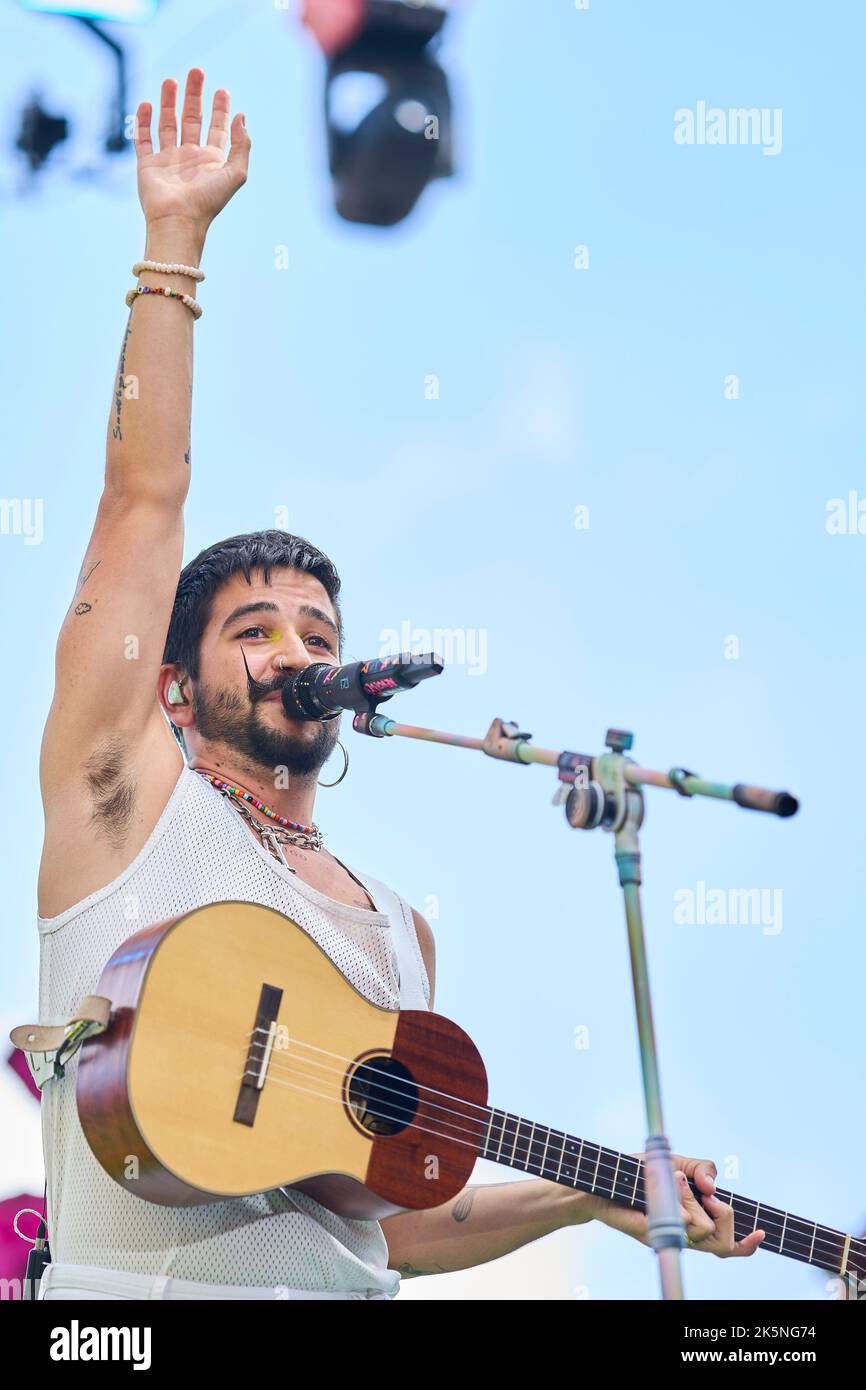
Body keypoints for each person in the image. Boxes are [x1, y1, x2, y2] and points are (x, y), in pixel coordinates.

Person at [34, 68, 764, 1301]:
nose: (300, 649)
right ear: (169, 688)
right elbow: (139, 509)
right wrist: (174, 250)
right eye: (254, 629)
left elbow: (387, 1215)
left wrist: (595, 1193)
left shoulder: (393, 926)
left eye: (319, 627)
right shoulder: (124, 806)